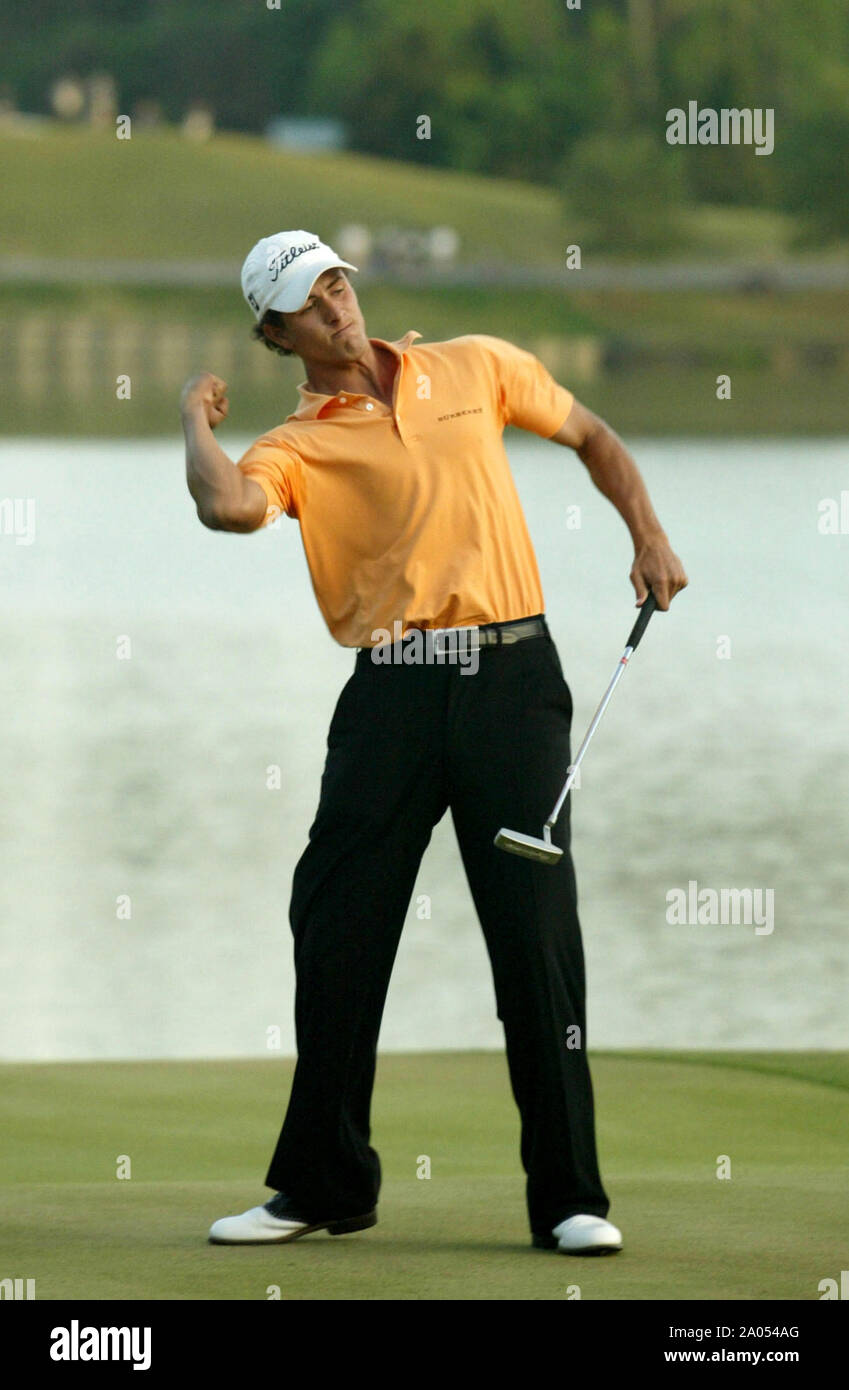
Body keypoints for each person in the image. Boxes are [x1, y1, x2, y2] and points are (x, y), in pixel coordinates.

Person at [180, 229, 687, 1255]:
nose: (333, 305)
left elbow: (590, 434)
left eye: (335, 282)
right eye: (306, 300)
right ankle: (321, 1185)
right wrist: (193, 423)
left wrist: (648, 531)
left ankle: (570, 1198)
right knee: (335, 927)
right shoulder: (296, 444)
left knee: (535, 936)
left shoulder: (473, 365)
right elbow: (229, 506)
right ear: (275, 333)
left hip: (511, 679)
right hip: (391, 697)